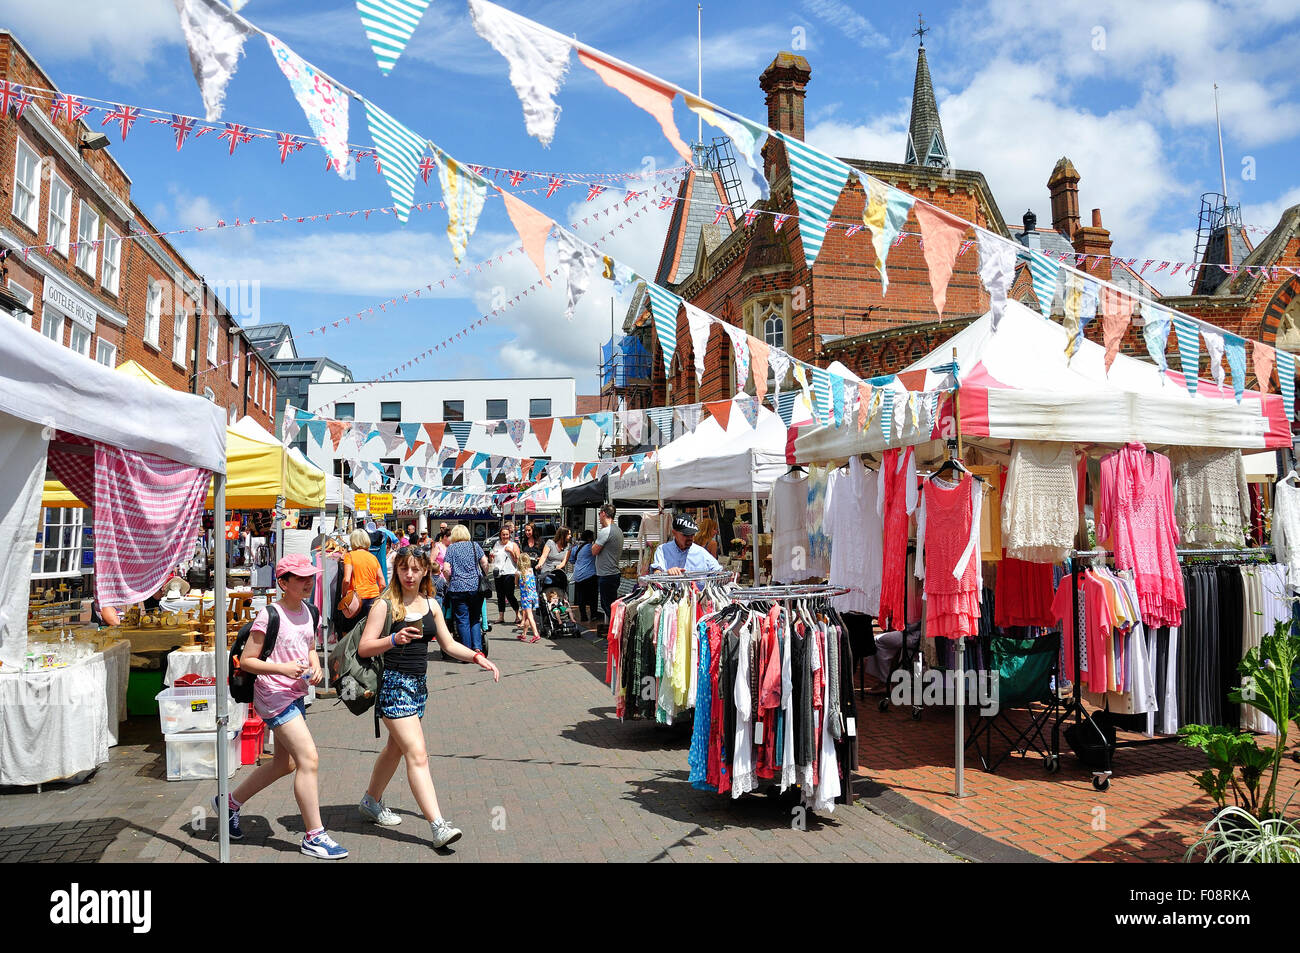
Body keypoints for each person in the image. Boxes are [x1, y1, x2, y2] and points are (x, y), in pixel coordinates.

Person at [356, 546, 499, 848]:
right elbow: (364, 648)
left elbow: (447, 644)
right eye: (404, 568)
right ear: (396, 570)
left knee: (395, 748)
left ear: (425, 571)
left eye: (415, 569)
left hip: (419, 687)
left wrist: (477, 657)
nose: (409, 574)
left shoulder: (432, 603)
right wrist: (394, 639)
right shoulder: (386, 604)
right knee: (418, 754)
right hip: (394, 686)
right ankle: (438, 826)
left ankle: (370, 800)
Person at [215, 555, 346, 859]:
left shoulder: (310, 611)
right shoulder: (269, 615)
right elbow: (247, 661)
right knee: (308, 759)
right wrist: (282, 669)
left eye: (310, 577)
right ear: (283, 582)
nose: (308, 583)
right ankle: (314, 835)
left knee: (285, 764)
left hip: (296, 692)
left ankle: (229, 803)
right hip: (273, 694)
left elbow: (310, 649)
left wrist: (316, 669)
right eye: (300, 578)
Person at [440, 525, 489, 653]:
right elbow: (485, 562)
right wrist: (484, 575)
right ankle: (477, 647)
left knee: (462, 619)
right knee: (474, 618)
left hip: (457, 588)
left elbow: (445, 568)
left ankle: (467, 651)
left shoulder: (451, 548)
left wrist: (449, 581)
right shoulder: (474, 545)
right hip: (475, 588)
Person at [338, 529, 383, 636]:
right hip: (373, 598)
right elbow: (383, 583)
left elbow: (347, 580)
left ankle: (351, 652)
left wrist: (344, 595)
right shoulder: (373, 557)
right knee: (369, 632)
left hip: (356, 600)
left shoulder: (350, 556)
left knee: (348, 632)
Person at [650, 514, 724, 575]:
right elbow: (656, 572)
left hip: (697, 592)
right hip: (671, 592)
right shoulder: (663, 550)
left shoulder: (701, 552)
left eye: (692, 534)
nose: (690, 538)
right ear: (674, 533)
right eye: (685, 535)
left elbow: (718, 571)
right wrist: (667, 573)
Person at [592, 504, 624, 631]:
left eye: (599, 513)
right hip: (612, 573)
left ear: (604, 513)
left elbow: (594, 551)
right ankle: (615, 633)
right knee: (611, 605)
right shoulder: (618, 530)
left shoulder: (605, 531)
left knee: (608, 607)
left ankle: (615, 633)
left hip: (607, 575)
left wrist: (594, 545)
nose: (599, 516)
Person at [489, 526, 521, 624]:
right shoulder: (497, 544)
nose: (505, 536)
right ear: (500, 535)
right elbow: (492, 560)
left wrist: (511, 551)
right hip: (498, 573)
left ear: (509, 535)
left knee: (510, 594)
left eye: (507, 534)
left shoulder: (513, 545)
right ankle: (501, 616)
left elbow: (518, 560)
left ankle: (517, 614)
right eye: (503, 534)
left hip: (510, 572)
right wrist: (491, 557)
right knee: (500, 595)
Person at [571, 529, 598, 623]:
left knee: (581, 597)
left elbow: (571, 560)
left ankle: (583, 616)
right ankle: (594, 615)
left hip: (578, 575)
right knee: (593, 596)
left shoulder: (575, 548)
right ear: (590, 538)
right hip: (590, 575)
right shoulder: (591, 547)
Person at [536, 526, 572, 592]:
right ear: (562, 535)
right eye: (568, 534)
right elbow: (544, 556)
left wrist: (558, 567)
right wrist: (539, 564)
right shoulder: (550, 543)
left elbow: (564, 561)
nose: (570, 536)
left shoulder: (568, 546)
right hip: (547, 571)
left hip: (558, 572)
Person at [516, 553, 541, 643]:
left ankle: (536, 634)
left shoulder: (518, 573)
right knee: (527, 616)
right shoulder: (531, 570)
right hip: (534, 595)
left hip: (525, 597)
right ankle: (524, 634)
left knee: (529, 616)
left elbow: (517, 584)